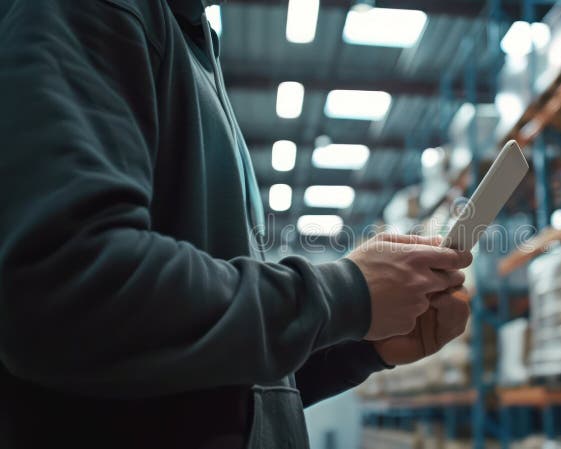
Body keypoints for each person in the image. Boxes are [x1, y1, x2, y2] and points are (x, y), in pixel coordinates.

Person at [0, 0, 473, 448]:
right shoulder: (98, 11)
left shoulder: (193, 46)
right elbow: (63, 288)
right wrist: (344, 294)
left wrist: (360, 346)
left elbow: (210, 380)